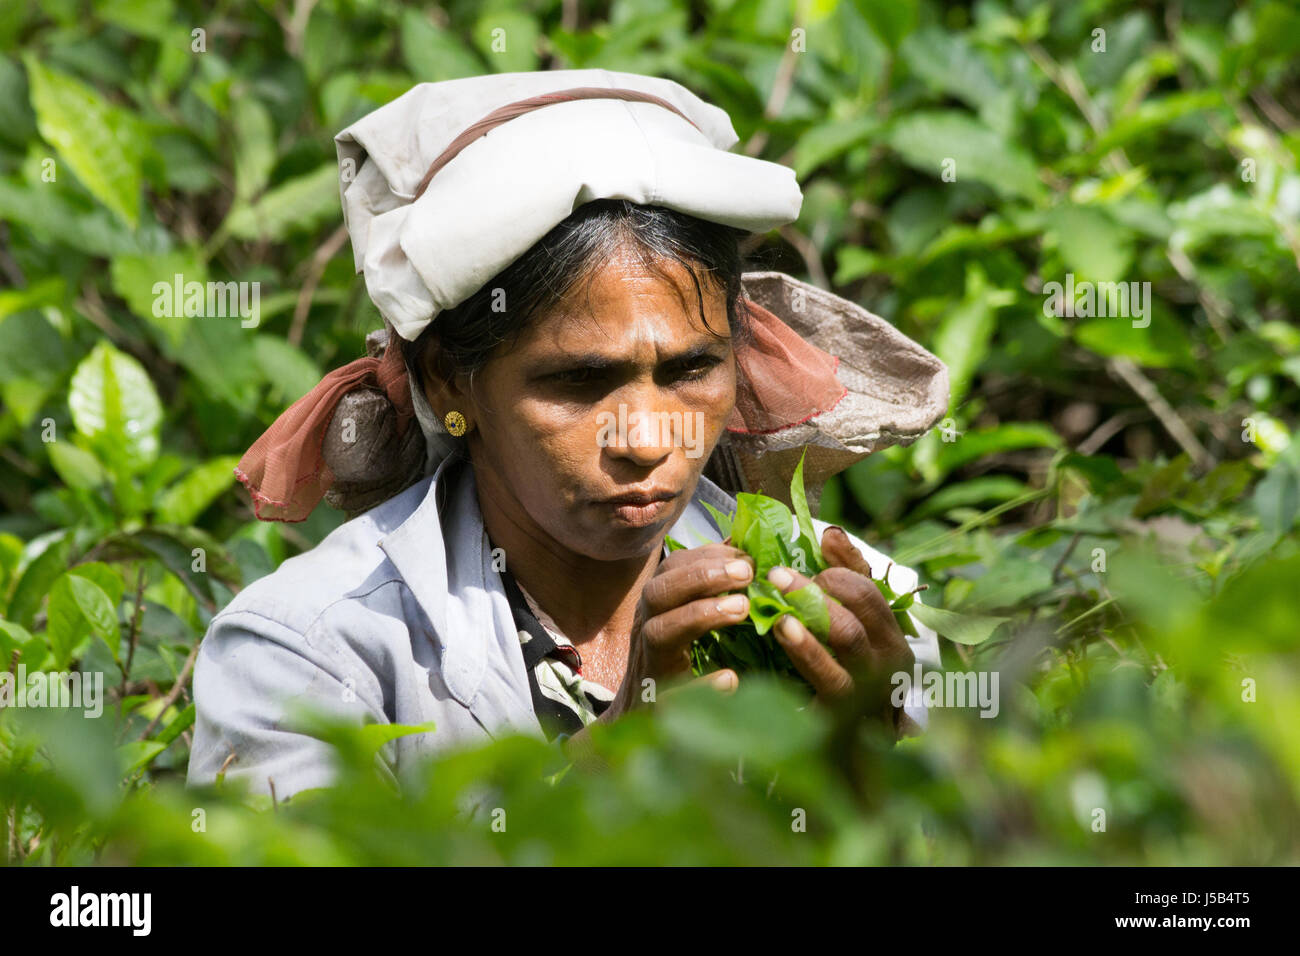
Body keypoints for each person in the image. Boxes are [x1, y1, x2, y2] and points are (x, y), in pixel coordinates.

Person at [187, 70, 948, 800]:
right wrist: (616, 765)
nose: (647, 437)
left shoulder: (865, 617)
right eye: (579, 382)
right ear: (453, 380)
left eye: (690, 369)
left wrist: (872, 772)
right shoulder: (309, 649)